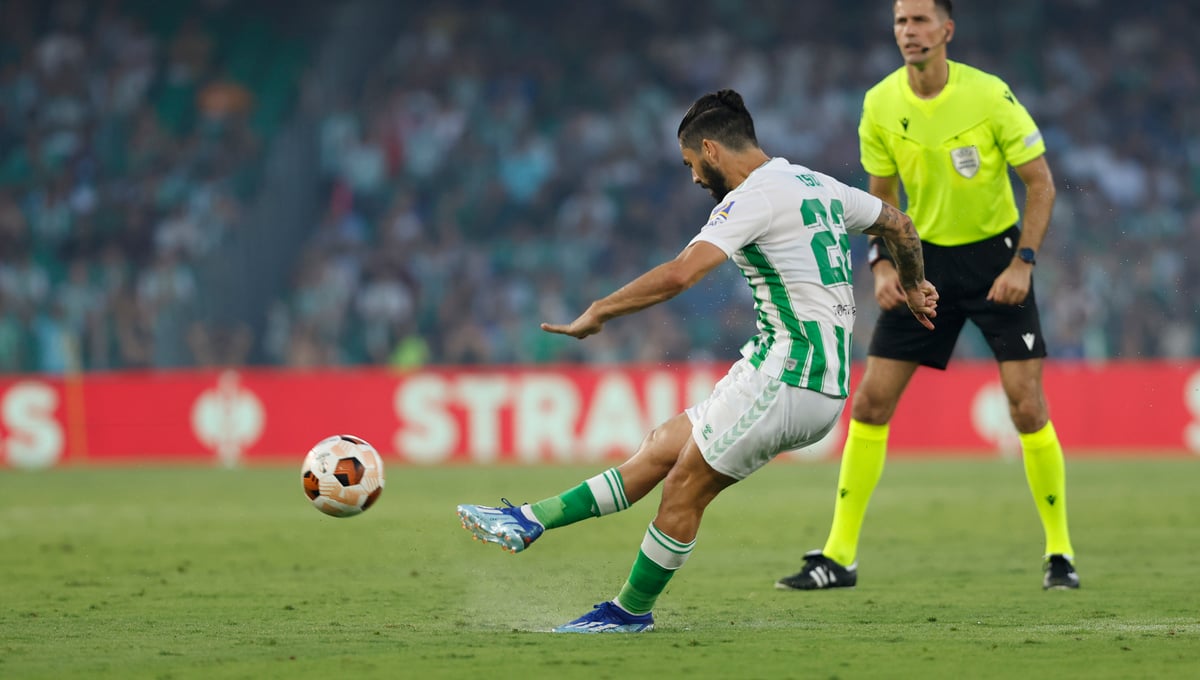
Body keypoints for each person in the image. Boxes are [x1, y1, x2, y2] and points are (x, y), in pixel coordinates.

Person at [456, 89, 938, 633]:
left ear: (711, 148)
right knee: (662, 446)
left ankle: (629, 613)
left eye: (690, 164)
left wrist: (600, 311)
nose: (692, 178)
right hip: (779, 367)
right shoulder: (814, 183)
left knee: (685, 487)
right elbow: (900, 225)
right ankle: (528, 519)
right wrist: (915, 284)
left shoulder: (753, 196)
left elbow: (681, 273)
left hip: (792, 376)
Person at [775, 0, 1079, 593]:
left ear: (946, 30)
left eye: (919, 21)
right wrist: (883, 264)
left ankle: (1060, 553)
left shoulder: (989, 95)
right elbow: (879, 201)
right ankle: (838, 557)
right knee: (870, 404)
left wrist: (1024, 262)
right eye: (899, 22)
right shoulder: (881, 103)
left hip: (997, 261)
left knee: (1026, 409)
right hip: (923, 265)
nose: (908, 31)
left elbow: (1040, 184)